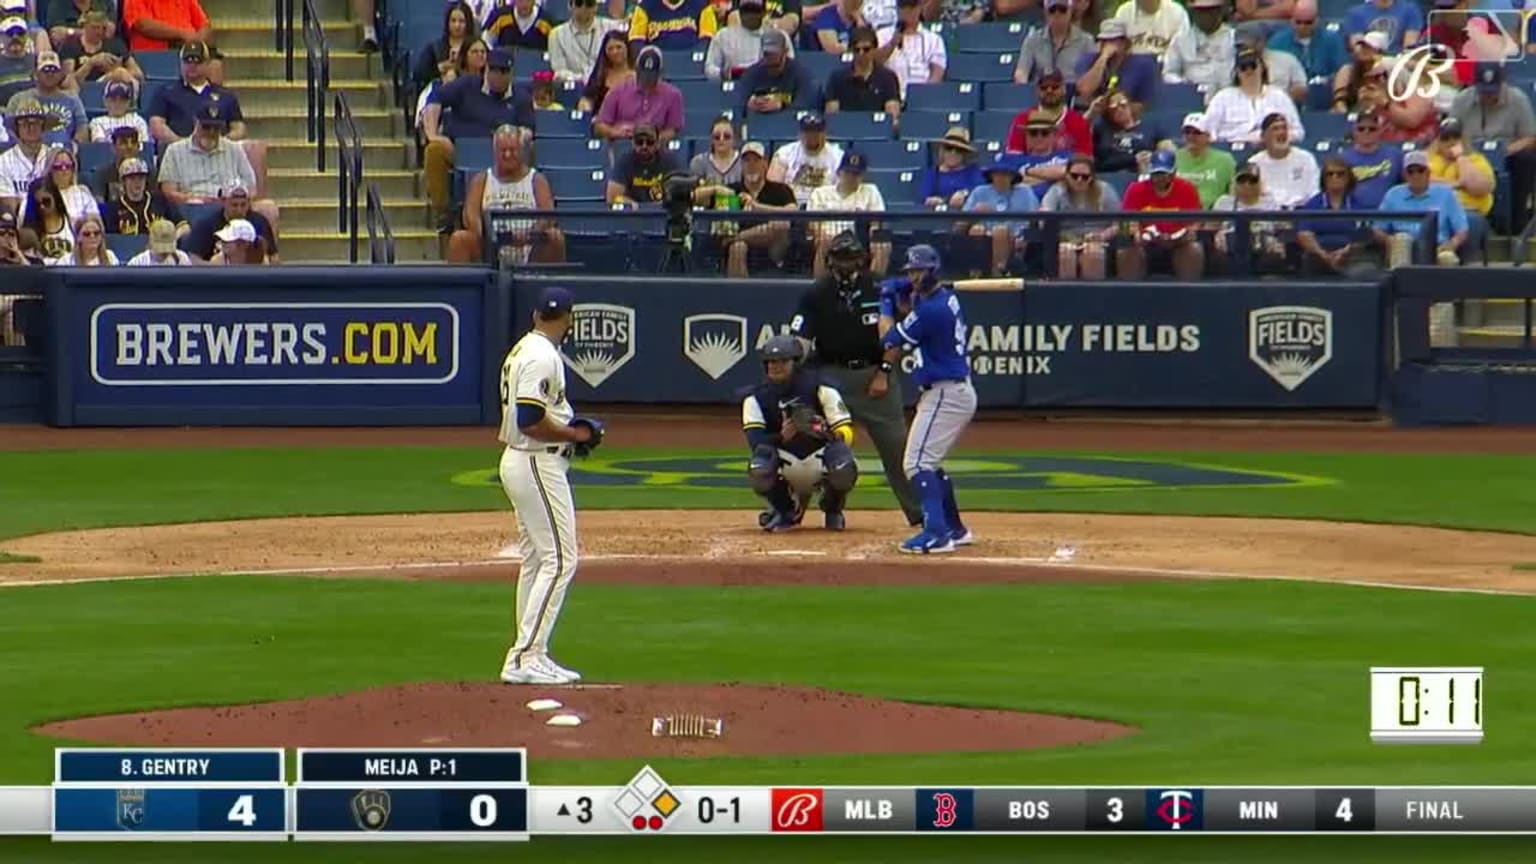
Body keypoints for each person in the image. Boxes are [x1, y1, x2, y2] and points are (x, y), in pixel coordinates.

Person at [496, 285, 602, 685]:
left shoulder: (524, 348)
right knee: (559, 560)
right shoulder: (542, 356)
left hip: (523, 461)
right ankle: (526, 655)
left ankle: (529, 654)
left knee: (537, 560)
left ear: (537, 315)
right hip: (536, 461)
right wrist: (575, 434)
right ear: (569, 318)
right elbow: (529, 420)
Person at [785, 231, 923, 527]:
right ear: (829, 260)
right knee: (811, 446)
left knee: (898, 451)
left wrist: (884, 372)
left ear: (862, 259)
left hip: (875, 376)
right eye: (840, 257)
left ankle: (921, 516)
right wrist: (797, 376)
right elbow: (801, 341)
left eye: (851, 257)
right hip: (831, 378)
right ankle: (800, 506)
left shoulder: (879, 288)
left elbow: (895, 338)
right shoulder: (816, 293)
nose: (846, 263)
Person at [878, 244, 975, 554]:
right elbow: (914, 297)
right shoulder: (940, 299)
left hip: (946, 392)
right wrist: (902, 286)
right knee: (928, 461)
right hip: (950, 391)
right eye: (911, 272)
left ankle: (936, 534)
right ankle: (954, 528)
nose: (914, 277)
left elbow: (888, 339)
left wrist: (885, 304)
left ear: (934, 271)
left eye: (919, 271)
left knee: (917, 463)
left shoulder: (932, 310)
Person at [742, 334, 858, 531]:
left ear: (795, 363)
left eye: (782, 361)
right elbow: (755, 442)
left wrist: (825, 432)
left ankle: (832, 508)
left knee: (843, 463)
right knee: (759, 465)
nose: (775, 366)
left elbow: (846, 430)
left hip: (819, 456)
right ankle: (785, 510)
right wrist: (781, 437)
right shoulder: (755, 398)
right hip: (784, 459)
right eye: (770, 362)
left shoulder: (820, 388)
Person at [422, 46, 536, 228]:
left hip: (500, 155)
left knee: (528, 151)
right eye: (494, 70)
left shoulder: (521, 97)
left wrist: (514, 138)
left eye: (504, 71)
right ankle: (443, 213)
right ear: (486, 69)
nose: (498, 76)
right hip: (461, 150)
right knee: (434, 150)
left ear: (511, 73)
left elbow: (527, 130)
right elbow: (435, 98)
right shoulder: (466, 85)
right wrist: (432, 133)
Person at [146, 42, 265, 193]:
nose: (192, 66)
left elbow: (239, 128)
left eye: (197, 61)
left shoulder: (225, 95)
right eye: (188, 61)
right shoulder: (166, 92)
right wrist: (184, 144)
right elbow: (156, 125)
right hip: (182, 151)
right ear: (181, 63)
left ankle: (253, 197)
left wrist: (221, 143)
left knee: (254, 147)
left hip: (219, 151)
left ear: (208, 64)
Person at [157, 97, 277, 231]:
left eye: (216, 128)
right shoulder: (175, 150)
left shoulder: (234, 149)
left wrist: (232, 200)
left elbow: (252, 189)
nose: (211, 133)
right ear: (196, 123)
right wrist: (195, 199)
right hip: (193, 206)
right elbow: (169, 192)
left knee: (267, 208)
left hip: (228, 207)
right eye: (206, 127)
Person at [449, 124, 563, 265]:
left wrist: (531, 235)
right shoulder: (481, 179)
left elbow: (547, 215)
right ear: (495, 152)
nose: (508, 155)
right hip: (490, 248)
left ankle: (545, 278)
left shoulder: (537, 180)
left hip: (530, 247)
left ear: (521, 150)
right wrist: (488, 237)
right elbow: (470, 215)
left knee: (555, 237)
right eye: (503, 150)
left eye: (512, 150)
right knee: (459, 239)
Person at [1451, 62, 1536, 233]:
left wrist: (1506, 150)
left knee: (1526, 158)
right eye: (1484, 92)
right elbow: (1450, 134)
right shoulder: (1461, 100)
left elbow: (1530, 137)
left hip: (1508, 154)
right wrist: (1462, 154)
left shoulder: (1518, 99)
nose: (1488, 96)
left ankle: (1518, 223)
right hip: (1470, 156)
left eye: (1492, 92)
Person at [693, 139, 795, 275]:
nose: (751, 165)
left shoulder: (780, 190)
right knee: (738, 247)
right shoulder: (731, 191)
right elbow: (695, 198)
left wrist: (757, 207)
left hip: (773, 249)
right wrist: (715, 189)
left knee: (779, 225)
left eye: (756, 161)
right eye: (747, 161)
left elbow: (792, 211)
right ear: (741, 165)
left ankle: (737, 238)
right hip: (739, 251)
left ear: (765, 164)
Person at [1119, 149, 1204, 279]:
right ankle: (1130, 290)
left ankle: (1189, 289)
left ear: (1173, 172)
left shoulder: (1187, 188)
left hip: (1178, 243)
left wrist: (1185, 235)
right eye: (1156, 174)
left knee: (1193, 249)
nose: (1160, 178)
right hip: (1145, 242)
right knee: (1126, 250)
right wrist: (1136, 233)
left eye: (1164, 174)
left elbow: (1195, 223)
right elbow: (1127, 221)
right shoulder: (1136, 189)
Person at [1295, 154, 1381, 276]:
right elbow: (1304, 234)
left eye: (1340, 174)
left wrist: (1345, 252)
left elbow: (1363, 235)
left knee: (1366, 269)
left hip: (1351, 256)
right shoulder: (1313, 204)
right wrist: (1323, 255)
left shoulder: (1358, 204)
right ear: (1324, 178)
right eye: (1330, 174)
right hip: (1318, 257)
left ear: (1348, 178)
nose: (1335, 177)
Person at [1379, 151, 1467, 267]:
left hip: (1437, 245)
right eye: (1410, 172)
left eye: (1420, 170)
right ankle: (1401, 277)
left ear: (1428, 173)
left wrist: (1452, 244)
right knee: (1401, 240)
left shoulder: (1446, 193)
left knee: (1447, 258)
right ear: (1405, 175)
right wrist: (1389, 240)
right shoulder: (1393, 194)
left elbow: (1462, 229)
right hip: (1405, 245)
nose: (1416, 175)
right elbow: (1378, 228)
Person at [1040, 153, 1121, 279]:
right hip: (1065, 239)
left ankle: (1092, 291)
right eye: (1074, 176)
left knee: (1092, 253)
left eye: (1085, 177)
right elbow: (1044, 217)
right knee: (1066, 253)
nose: (1079, 180)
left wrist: (1102, 236)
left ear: (1092, 177)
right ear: (1067, 175)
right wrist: (1063, 236)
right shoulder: (1056, 191)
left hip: (1098, 239)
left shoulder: (1105, 190)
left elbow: (1118, 223)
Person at [1202, 46, 1304, 144]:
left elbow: (1298, 132)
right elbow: (1207, 131)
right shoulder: (1222, 97)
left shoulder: (1279, 96)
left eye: (1253, 66)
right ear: (1237, 72)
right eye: (1243, 68)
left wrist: (1273, 137)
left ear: (1262, 68)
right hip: (1232, 147)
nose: (1249, 71)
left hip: (1270, 148)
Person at [808, 150, 886, 276]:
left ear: (862, 175)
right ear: (839, 172)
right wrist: (821, 235)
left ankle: (873, 283)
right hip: (830, 238)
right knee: (822, 240)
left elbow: (876, 221)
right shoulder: (821, 193)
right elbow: (814, 223)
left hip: (859, 239)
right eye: (848, 172)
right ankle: (820, 283)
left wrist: (873, 236)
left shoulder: (871, 191)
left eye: (856, 174)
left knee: (882, 244)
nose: (851, 177)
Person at [1424, 117, 1492, 263]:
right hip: (1433, 211)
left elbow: (1478, 187)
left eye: (1456, 137)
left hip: (1468, 211)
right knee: (1426, 224)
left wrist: (1460, 157)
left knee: (1470, 222)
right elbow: (1422, 183)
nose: (1451, 142)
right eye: (1445, 138)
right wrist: (1458, 184)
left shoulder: (1475, 160)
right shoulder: (1428, 159)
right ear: (1437, 141)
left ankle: (1467, 268)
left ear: (1463, 139)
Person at [963, 153, 1039, 276]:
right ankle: (976, 273)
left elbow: (1034, 220)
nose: (1000, 177)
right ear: (991, 175)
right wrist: (975, 213)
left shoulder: (1025, 192)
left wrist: (1023, 238)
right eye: (996, 173)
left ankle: (999, 273)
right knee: (976, 230)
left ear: (1012, 176)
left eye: (1005, 174)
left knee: (1000, 231)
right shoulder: (979, 192)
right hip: (985, 235)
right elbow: (960, 224)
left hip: (1015, 239)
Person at [595, 45, 683, 141]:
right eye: (643, 75)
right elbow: (600, 125)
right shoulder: (617, 90)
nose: (647, 79)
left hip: (655, 145)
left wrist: (654, 139)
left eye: (652, 76)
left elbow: (673, 129)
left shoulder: (673, 95)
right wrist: (615, 132)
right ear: (636, 70)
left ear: (660, 73)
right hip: (622, 141)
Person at [1210, 162, 1286, 272]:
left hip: (1264, 248)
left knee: (1275, 256)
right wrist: (1217, 238)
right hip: (1229, 249)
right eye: (1242, 181)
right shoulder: (1224, 201)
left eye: (1252, 181)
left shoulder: (1269, 202)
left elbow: (1283, 229)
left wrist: (1277, 242)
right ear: (1234, 182)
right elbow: (1210, 228)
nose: (1247, 185)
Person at [4, 51, 87, 145]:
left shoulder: (72, 99)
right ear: (36, 73)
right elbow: (9, 129)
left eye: (54, 70)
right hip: (27, 149)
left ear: (60, 74)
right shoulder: (18, 99)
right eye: (45, 70)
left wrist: (72, 147)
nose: (50, 74)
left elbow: (82, 127)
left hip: (64, 150)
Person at [180, 182, 276, 261]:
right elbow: (193, 259)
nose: (239, 210)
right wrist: (217, 269)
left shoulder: (259, 222)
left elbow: (273, 256)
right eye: (234, 205)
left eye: (243, 205)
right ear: (223, 202)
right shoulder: (206, 224)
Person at [1074, 19, 1156, 111]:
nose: (1109, 44)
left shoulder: (1143, 65)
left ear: (1126, 43)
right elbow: (1084, 91)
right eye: (1105, 40)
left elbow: (1143, 104)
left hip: (1125, 115)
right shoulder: (1087, 59)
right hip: (1090, 113)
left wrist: (1114, 109)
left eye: (1114, 40)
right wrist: (1104, 57)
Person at [823, 25, 900, 122]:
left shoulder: (888, 77)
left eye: (866, 49)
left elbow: (892, 118)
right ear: (851, 50)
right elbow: (832, 117)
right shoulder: (837, 77)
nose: (861, 54)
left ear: (874, 49)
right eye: (857, 50)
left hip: (877, 127)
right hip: (847, 126)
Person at [1005, 70, 1090, 156]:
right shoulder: (1021, 120)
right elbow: (1013, 157)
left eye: (1055, 87)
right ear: (1037, 90)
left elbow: (1084, 157)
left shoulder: (1078, 121)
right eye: (1044, 88)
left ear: (1064, 89)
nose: (1049, 91)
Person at [1243, 111, 1317, 208]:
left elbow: (1314, 192)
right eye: (1275, 129)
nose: (1282, 133)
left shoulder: (1306, 159)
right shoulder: (1254, 163)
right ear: (1263, 136)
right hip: (1267, 214)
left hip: (1301, 212)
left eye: (1284, 128)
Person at [1162, 0, 1234, 98]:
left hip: (1226, 95)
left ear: (1221, 11)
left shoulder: (1234, 38)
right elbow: (1169, 73)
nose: (1206, 16)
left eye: (1211, 11)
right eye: (1201, 11)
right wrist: (1185, 85)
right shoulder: (1181, 39)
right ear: (1193, 13)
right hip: (1190, 96)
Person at [768, 112, 842, 205]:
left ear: (824, 133)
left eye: (816, 131)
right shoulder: (784, 153)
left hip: (824, 206)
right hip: (791, 206)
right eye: (807, 132)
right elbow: (773, 189)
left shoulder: (838, 156)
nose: (811, 136)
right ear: (800, 133)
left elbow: (842, 192)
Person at [1268, 0, 1349, 83]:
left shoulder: (1333, 40)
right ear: (1291, 20)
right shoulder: (1277, 42)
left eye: (1308, 22)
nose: (1302, 26)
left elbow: (1343, 69)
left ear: (1317, 21)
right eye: (1298, 22)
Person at [736, 26, 813, 114]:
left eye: (774, 53)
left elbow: (806, 105)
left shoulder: (801, 74)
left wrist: (782, 105)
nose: (770, 59)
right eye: (767, 54)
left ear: (785, 52)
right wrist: (748, 105)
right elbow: (738, 103)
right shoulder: (751, 73)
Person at [875, 0, 943, 99]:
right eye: (903, 7)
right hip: (890, 95)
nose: (907, 12)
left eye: (911, 7)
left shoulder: (934, 39)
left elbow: (937, 73)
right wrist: (892, 44)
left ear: (919, 8)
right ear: (897, 9)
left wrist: (924, 95)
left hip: (921, 95)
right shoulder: (882, 35)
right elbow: (874, 64)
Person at [605, 121, 683, 206]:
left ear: (658, 143)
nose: (644, 146)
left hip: (661, 211)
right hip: (633, 212)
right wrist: (629, 203)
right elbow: (612, 197)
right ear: (633, 143)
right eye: (639, 142)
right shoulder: (624, 162)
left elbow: (680, 195)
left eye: (650, 142)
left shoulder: (670, 161)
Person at [1014, 0, 1092, 85]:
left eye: (1062, 10)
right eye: (1052, 10)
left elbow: (1091, 74)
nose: (1057, 15)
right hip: (1042, 90)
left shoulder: (1086, 41)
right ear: (1045, 13)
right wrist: (1026, 89)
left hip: (1073, 90)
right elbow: (1021, 72)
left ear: (1070, 11)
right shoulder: (1033, 40)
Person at [0, 97, 56, 212]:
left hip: (52, 215)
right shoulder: (4, 161)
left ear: (43, 126)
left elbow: (62, 196)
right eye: (24, 123)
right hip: (19, 219)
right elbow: (8, 205)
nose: (31, 128)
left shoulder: (54, 157)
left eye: (36, 122)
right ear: (17, 128)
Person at [60, 9, 140, 89]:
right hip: (82, 87)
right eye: (95, 27)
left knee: (120, 73)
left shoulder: (115, 45)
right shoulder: (71, 45)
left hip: (110, 84)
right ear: (85, 26)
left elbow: (138, 74)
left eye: (103, 28)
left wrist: (115, 69)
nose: (99, 32)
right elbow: (68, 82)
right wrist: (91, 63)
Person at [102, 156, 181, 235]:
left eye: (141, 178)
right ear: (123, 181)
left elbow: (183, 226)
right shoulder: (113, 208)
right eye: (132, 178)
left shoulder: (160, 201)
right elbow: (111, 237)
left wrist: (172, 238)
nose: (137, 182)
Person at [1090, 87, 1161, 174]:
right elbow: (1099, 164)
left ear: (1130, 105)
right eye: (1114, 108)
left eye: (1123, 104)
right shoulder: (1102, 130)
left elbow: (1165, 149)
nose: (1119, 110)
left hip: (1142, 172)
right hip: (1111, 174)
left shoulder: (1148, 128)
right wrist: (1133, 159)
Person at [1235, 22, 1307, 106]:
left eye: (1248, 45)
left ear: (1261, 42)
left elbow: (1302, 89)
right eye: (1240, 46)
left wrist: (1277, 99)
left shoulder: (1286, 60)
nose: (1244, 49)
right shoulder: (1231, 64)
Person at [413, 1, 480, 91]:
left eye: (461, 21)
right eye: (453, 21)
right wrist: (444, 66)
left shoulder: (478, 47)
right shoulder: (435, 48)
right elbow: (418, 74)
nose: (457, 25)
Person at [706, 0, 779, 81]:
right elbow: (709, 69)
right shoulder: (723, 36)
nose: (749, 15)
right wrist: (729, 73)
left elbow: (788, 69)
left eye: (754, 10)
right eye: (746, 10)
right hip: (734, 84)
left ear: (763, 13)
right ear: (739, 12)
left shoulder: (776, 36)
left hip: (765, 84)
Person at [20, 144, 95, 223]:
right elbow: (25, 222)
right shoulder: (40, 195)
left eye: (68, 166)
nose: (64, 170)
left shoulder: (83, 192)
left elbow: (95, 220)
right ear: (50, 170)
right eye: (59, 166)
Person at [1175, 111, 1234, 208]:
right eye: (1187, 132)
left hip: (1213, 214)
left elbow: (1232, 193)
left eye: (1197, 133)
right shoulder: (1173, 157)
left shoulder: (1225, 160)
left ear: (1208, 136)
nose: (1190, 136)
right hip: (1179, 212)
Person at [1008, 114, 1071, 198]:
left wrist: (1026, 171)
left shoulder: (1067, 156)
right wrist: (1053, 178)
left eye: (1045, 133)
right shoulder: (1012, 159)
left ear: (1054, 136)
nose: (1039, 137)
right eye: (1033, 133)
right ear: (1026, 136)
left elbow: (1069, 173)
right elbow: (1005, 182)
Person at [919, 126, 981, 210]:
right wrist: (933, 201)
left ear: (964, 154)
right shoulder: (932, 173)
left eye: (959, 150)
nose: (953, 153)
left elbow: (980, 191)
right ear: (942, 150)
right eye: (949, 148)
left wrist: (964, 193)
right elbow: (924, 197)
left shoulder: (973, 171)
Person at [577, 30, 633, 112]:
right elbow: (587, 99)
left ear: (627, 47)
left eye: (619, 47)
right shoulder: (600, 75)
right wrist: (586, 109)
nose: (615, 52)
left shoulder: (638, 74)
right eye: (610, 49)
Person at [1330, 30, 1385, 113]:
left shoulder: (1385, 74)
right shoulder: (1348, 71)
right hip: (1349, 113)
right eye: (1363, 46)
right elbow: (1339, 102)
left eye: (1369, 48)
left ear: (1380, 52)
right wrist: (1346, 115)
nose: (1364, 50)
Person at [627, 0, 717, 50]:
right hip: (657, 67)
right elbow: (636, 41)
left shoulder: (702, 5)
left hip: (691, 64)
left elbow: (707, 40)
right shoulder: (644, 7)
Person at [1111, 0, 1189, 57]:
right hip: (1132, 65)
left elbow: (1183, 54)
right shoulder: (1124, 12)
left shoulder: (1178, 13)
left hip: (1165, 66)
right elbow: (1115, 49)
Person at [1340, 0, 1421, 55]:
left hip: (1398, 63)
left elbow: (1409, 47)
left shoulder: (1410, 10)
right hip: (1368, 63)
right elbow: (1358, 49)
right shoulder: (1356, 13)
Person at [21, 179, 73, 261]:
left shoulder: (71, 220)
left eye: (46, 201)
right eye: (37, 204)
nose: (42, 207)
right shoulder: (29, 230)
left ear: (55, 198)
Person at [484, 0, 558, 51]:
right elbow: (486, 41)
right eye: (521, 0)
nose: (524, 5)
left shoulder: (546, 22)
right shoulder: (500, 16)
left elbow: (555, 49)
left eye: (528, 0)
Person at [689, 114, 741, 185]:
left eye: (726, 136)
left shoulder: (743, 162)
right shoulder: (699, 162)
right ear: (711, 139)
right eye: (717, 136)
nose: (721, 139)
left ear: (734, 138)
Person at [50, 211, 114, 264]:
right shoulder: (65, 261)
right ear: (78, 237)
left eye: (96, 233)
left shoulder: (110, 257)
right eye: (87, 234)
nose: (92, 236)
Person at [0, 15, 36, 106]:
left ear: (27, 36)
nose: (15, 37)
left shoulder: (36, 61)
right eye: (10, 33)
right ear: (1, 37)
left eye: (20, 33)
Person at [127, 217, 194, 265]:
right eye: (161, 247)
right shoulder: (138, 262)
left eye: (168, 247)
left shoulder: (182, 258)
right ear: (151, 243)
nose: (164, 252)